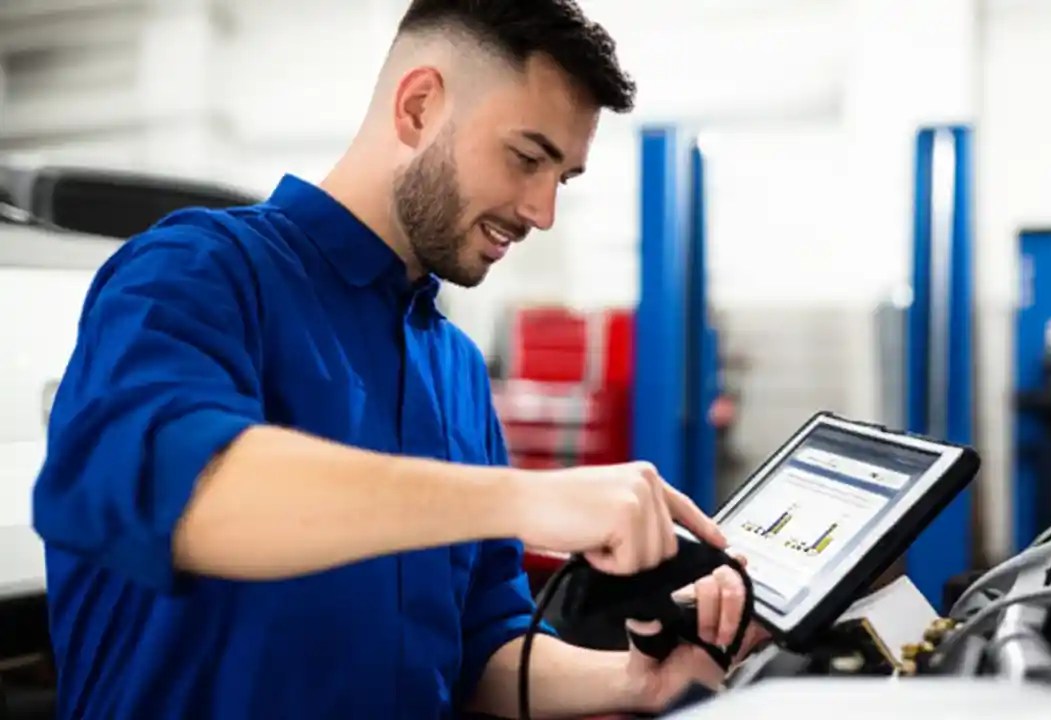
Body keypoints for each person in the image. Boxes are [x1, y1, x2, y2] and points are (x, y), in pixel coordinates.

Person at [31, 1, 764, 718]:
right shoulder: (196, 271)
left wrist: (635, 684)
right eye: (527, 158)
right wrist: (530, 498)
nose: (542, 211)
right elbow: (181, 495)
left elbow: (480, 646)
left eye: (561, 179)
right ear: (417, 107)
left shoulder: (455, 368)